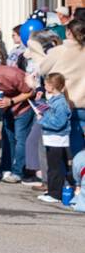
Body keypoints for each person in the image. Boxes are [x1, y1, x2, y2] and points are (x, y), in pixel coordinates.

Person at [37, 18, 85, 156]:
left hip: (66, 102)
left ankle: (74, 175)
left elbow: (42, 69)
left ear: (69, 32)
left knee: (65, 147)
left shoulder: (59, 51)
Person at [0, 56, 33, 183]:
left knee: (20, 140)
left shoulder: (11, 74)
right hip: (7, 110)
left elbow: (30, 92)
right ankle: (6, 169)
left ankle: (18, 171)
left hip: (22, 108)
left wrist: (11, 101)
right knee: (7, 139)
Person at [37, 73, 75, 204]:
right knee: (52, 166)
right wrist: (39, 103)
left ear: (52, 86)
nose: (44, 85)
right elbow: (48, 111)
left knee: (55, 168)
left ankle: (55, 194)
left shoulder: (60, 103)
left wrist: (42, 121)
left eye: (46, 84)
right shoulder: (54, 99)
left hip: (57, 140)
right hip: (51, 139)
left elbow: (59, 122)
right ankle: (52, 190)